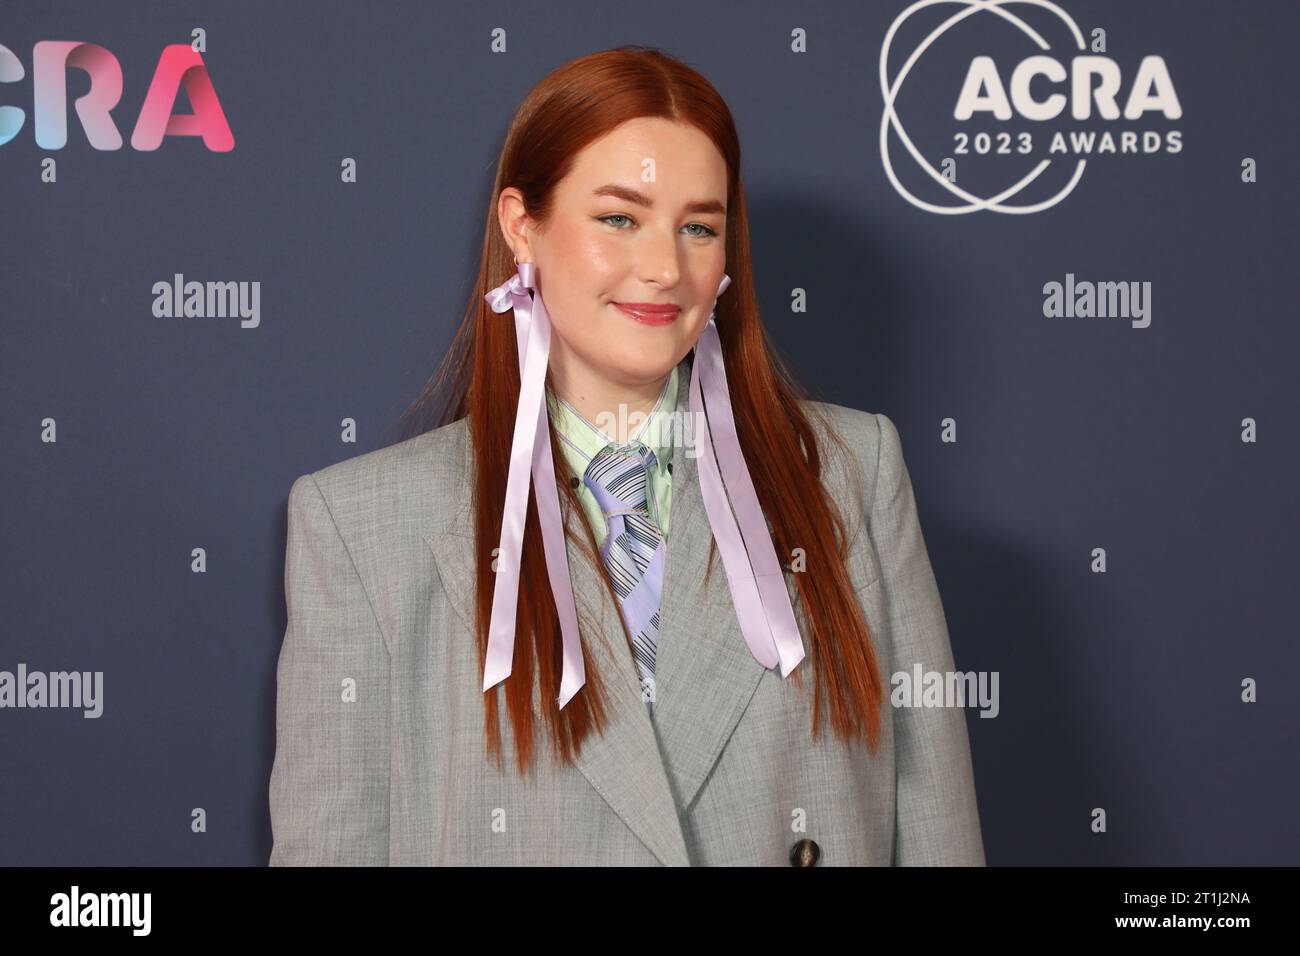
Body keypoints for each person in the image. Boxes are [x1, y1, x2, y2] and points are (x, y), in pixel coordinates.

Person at [268, 45, 985, 866]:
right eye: (619, 218)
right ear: (521, 226)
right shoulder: (359, 526)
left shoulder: (853, 473)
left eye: (698, 228)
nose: (663, 268)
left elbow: (938, 837)